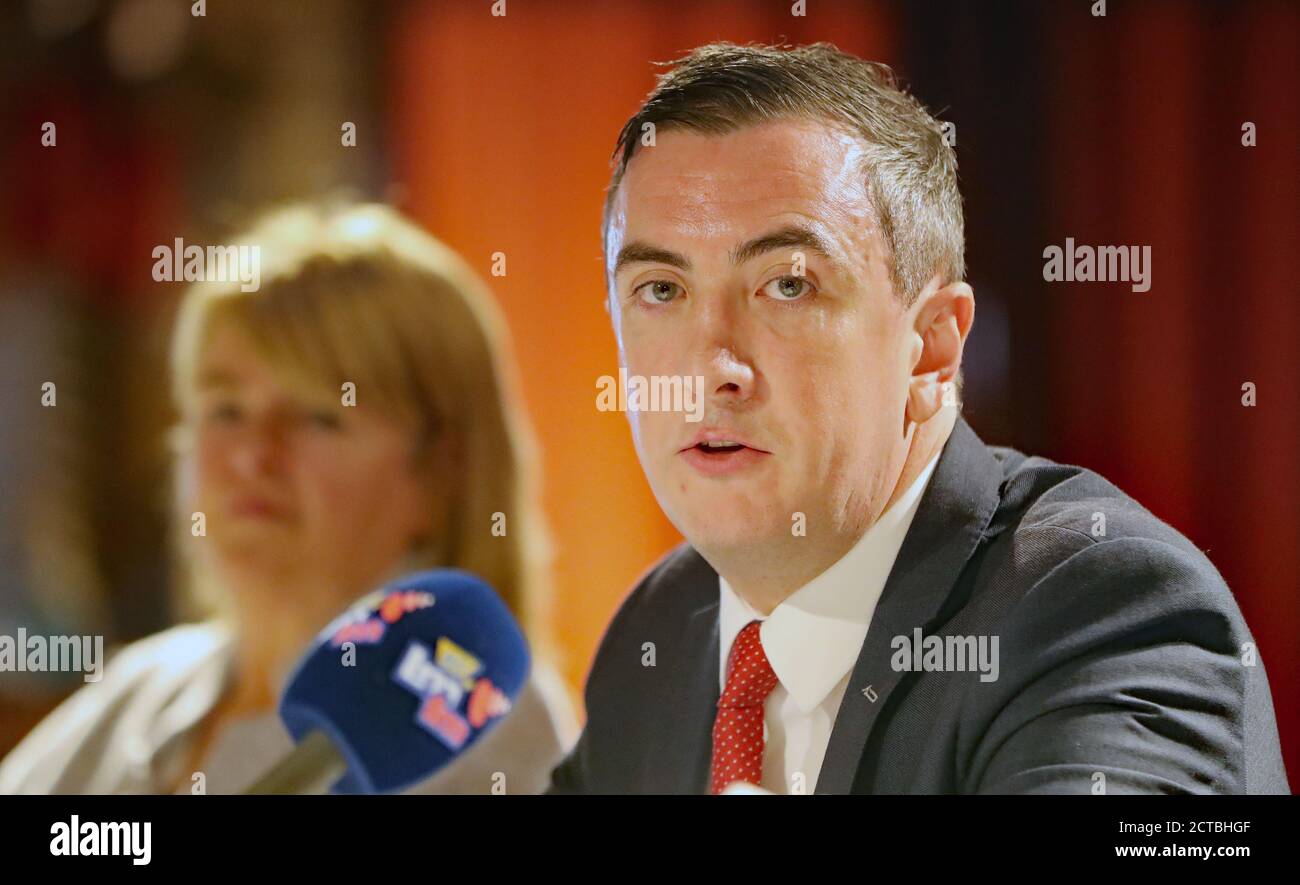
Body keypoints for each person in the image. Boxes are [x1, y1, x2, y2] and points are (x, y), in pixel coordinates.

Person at [547, 42, 1290, 794]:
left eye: (788, 285)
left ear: (932, 348)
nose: (713, 369)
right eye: (662, 290)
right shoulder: (661, 628)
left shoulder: (1100, 609)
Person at [0, 202, 578, 794]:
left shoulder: (470, 712)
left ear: (442, 470)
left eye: (319, 417)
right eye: (225, 410)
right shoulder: (142, 685)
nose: (253, 454)